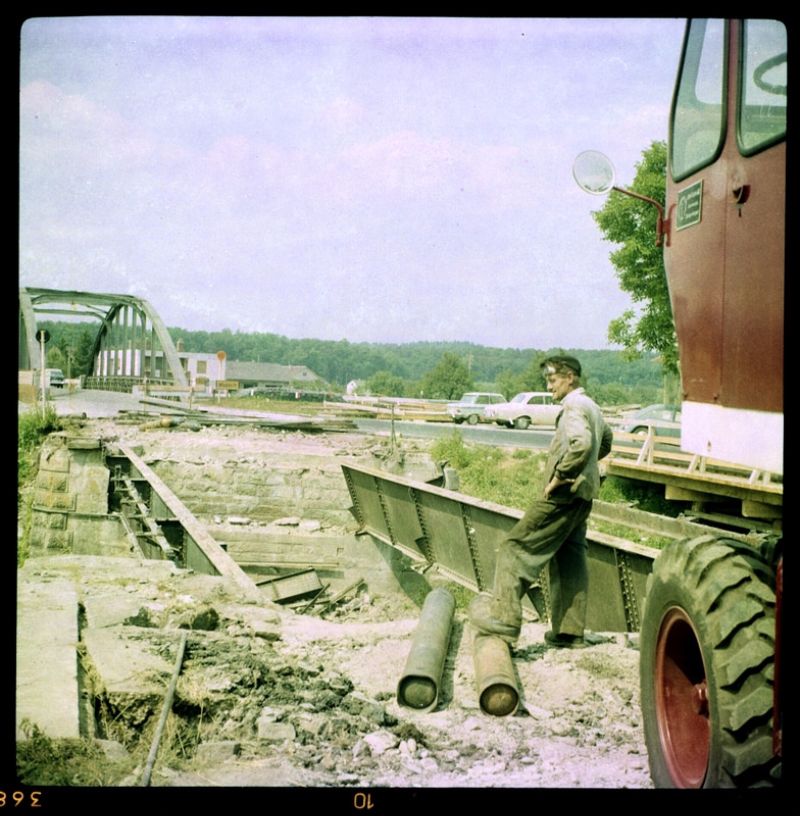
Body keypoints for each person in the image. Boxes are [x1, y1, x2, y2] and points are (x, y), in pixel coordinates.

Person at [469, 354, 613, 649]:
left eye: (552, 379)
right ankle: (569, 633)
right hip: (583, 497)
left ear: (570, 377)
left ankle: (505, 620)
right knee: (569, 559)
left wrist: (561, 475)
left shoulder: (572, 407)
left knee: (515, 547)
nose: (549, 387)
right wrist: (587, 471)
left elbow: (582, 443)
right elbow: (606, 440)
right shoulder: (592, 406)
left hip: (563, 495)